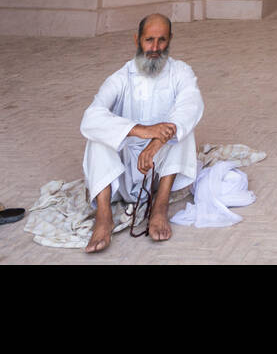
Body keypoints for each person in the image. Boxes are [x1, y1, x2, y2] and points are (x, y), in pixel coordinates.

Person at [80, 13, 204, 253]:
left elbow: (192, 105)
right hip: (123, 172)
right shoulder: (121, 76)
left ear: (170, 39)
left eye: (162, 40)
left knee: (183, 129)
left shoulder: (181, 72)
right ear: (137, 40)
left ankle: (160, 206)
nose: (155, 48)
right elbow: (90, 118)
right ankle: (104, 216)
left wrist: (158, 140)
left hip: (159, 170)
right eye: (149, 40)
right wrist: (144, 131)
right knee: (98, 136)